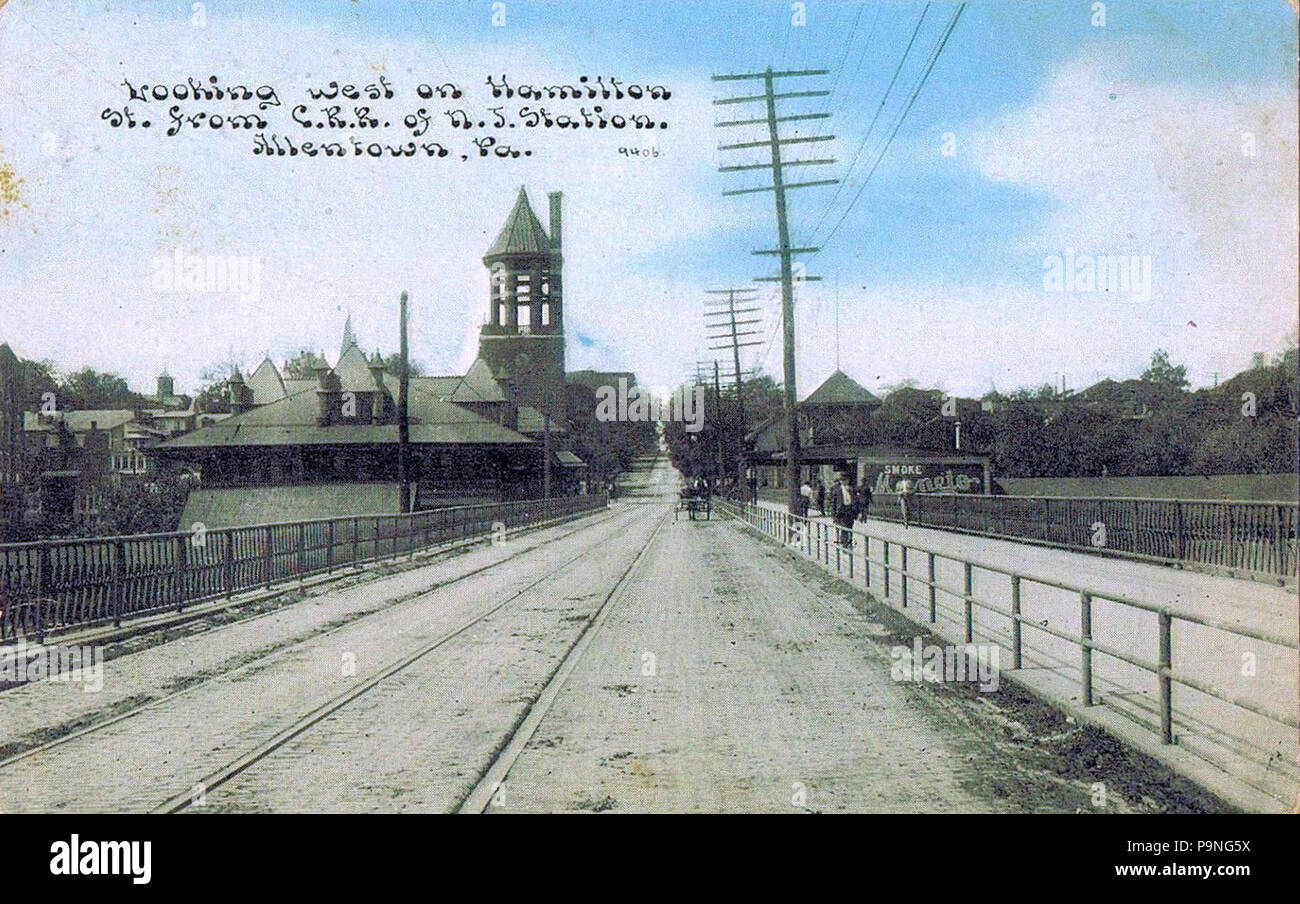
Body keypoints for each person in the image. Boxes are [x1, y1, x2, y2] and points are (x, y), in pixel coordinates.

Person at [830, 469, 856, 548]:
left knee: (850, 528)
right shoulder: (837, 490)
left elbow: (855, 500)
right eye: (843, 480)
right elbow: (833, 503)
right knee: (844, 528)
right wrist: (833, 514)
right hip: (841, 511)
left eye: (846, 480)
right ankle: (844, 543)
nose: (845, 482)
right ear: (841, 481)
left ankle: (849, 541)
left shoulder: (851, 489)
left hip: (850, 511)